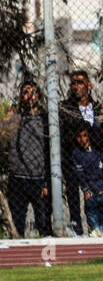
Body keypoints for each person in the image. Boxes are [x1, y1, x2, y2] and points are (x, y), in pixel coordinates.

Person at [58, 70, 103, 234]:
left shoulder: (98, 108)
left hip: (95, 160)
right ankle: (76, 227)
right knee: (73, 194)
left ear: (89, 85)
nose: (76, 86)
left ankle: (101, 228)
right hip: (73, 160)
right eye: (73, 83)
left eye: (80, 82)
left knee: (98, 194)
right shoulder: (66, 108)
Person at [5, 81, 51, 237]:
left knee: (43, 222)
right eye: (25, 92)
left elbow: (49, 151)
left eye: (33, 92)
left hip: (38, 178)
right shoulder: (15, 117)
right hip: (17, 177)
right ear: (21, 96)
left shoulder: (45, 119)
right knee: (18, 221)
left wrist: (46, 182)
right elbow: (4, 144)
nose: (29, 96)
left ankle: (48, 254)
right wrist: (6, 123)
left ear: (38, 95)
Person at [70, 120, 103, 236]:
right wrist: (86, 190)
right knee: (94, 229)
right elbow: (80, 176)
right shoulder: (77, 154)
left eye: (85, 136)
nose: (83, 140)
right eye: (79, 137)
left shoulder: (99, 150)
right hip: (91, 194)